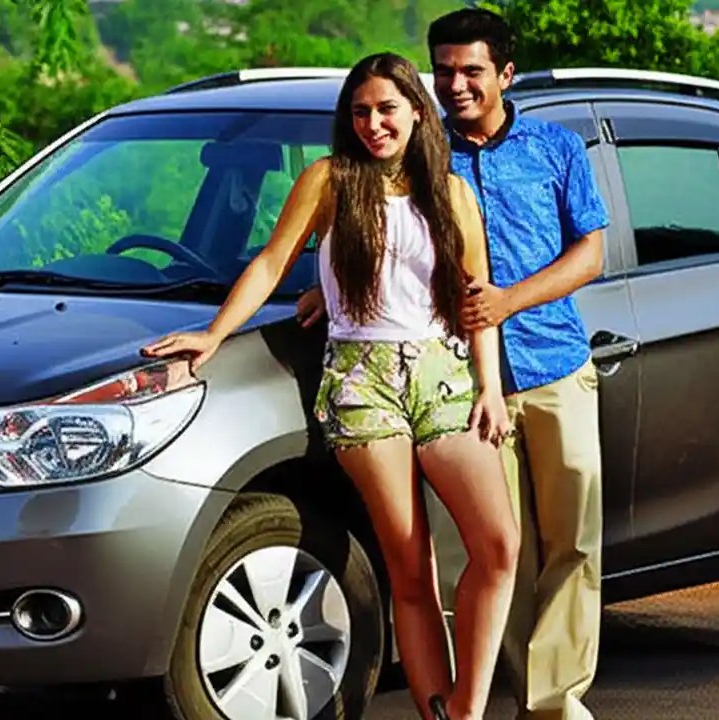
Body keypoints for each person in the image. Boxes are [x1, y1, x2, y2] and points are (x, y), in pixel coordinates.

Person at [142, 53, 520, 720]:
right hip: (362, 383)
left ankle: (466, 706)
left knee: (498, 546)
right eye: (361, 112)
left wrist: (488, 386)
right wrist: (213, 335)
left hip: (443, 377)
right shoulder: (329, 180)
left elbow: (476, 297)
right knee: (411, 567)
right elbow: (271, 262)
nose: (374, 124)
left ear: (416, 112)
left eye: (387, 109)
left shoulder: (451, 193)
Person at [296, 9, 610, 720]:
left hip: (552, 364)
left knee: (572, 544)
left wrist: (507, 301)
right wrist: (331, 281)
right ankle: (486, 699)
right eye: (444, 71)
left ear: (505, 74)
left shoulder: (556, 148)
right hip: (459, 385)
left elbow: (591, 254)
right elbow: (381, 236)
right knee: (491, 553)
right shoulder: (419, 151)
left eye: (472, 70)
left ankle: (553, 706)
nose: (457, 84)